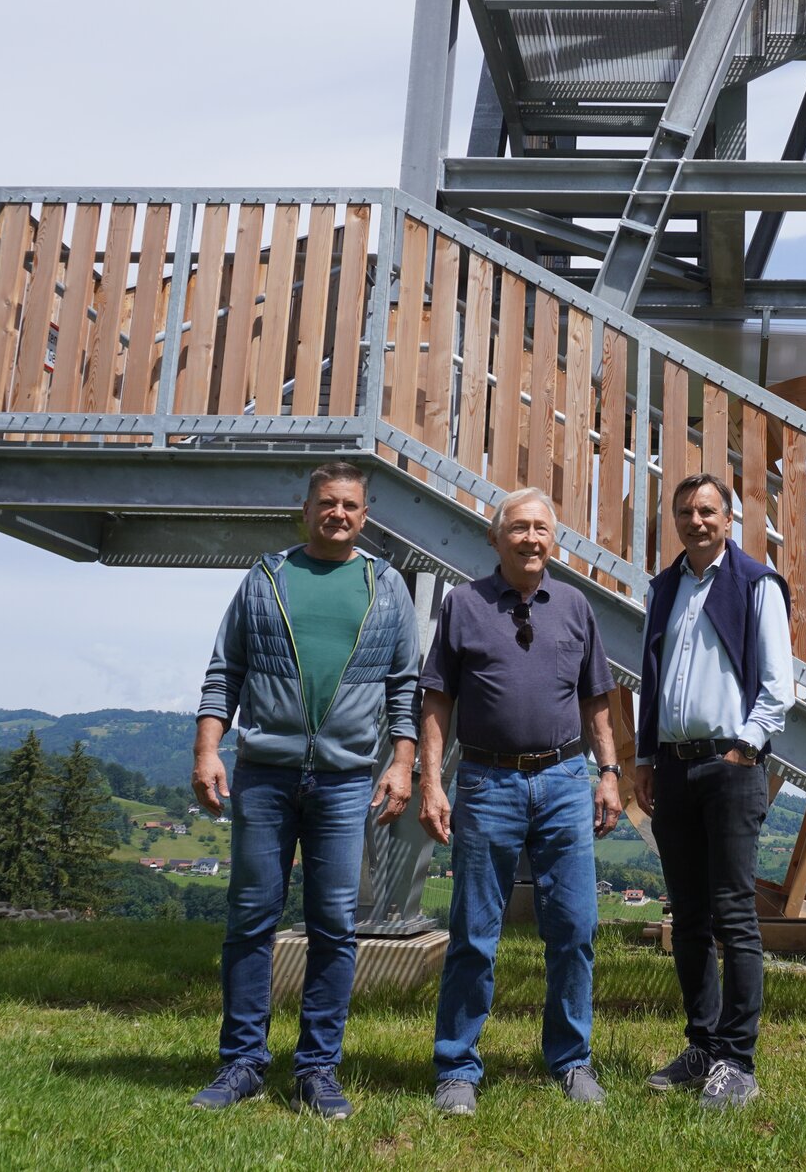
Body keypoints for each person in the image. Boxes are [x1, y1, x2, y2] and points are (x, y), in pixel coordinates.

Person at [187, 461, 421, 1120]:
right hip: (264, 773)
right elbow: (224, 671)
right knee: (250, 917)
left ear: (364, 516)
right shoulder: (266, 579)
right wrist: (207, 749)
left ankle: (317, 1069)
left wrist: (402, 763)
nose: (338, 513)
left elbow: (405, 685)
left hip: (346, 780)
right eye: (327, 502)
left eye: (350, 505)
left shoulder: (386, 586)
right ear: (306, 509)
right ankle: (242, 1062)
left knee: (334, 925)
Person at [417, 486, 623, 1116]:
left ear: (552, 540)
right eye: (518, 528)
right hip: (487, 783)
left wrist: (609, 772)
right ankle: (457, 1068)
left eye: (541, 528)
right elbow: (437, 699)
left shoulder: (576, 606)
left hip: (564, 780)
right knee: (473, 933)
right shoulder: (463, 604)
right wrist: (432, 781)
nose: (531, 538)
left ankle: (572, 1060)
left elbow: (596, 700)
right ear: (495, 538)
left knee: (575, 929)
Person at [632, 472, 794, 1111]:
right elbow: (652, 676)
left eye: (707, 511)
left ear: (728, 520)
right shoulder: (664, 588)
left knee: (733, 914)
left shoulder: (756, 584)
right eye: (685, 512)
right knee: (689, 916)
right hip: (673, 767)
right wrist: (646, 758)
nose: (695, 521)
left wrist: (743, 749)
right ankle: (702, 1045)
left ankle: (737, 1061)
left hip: (731, 766)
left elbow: (779, 687)